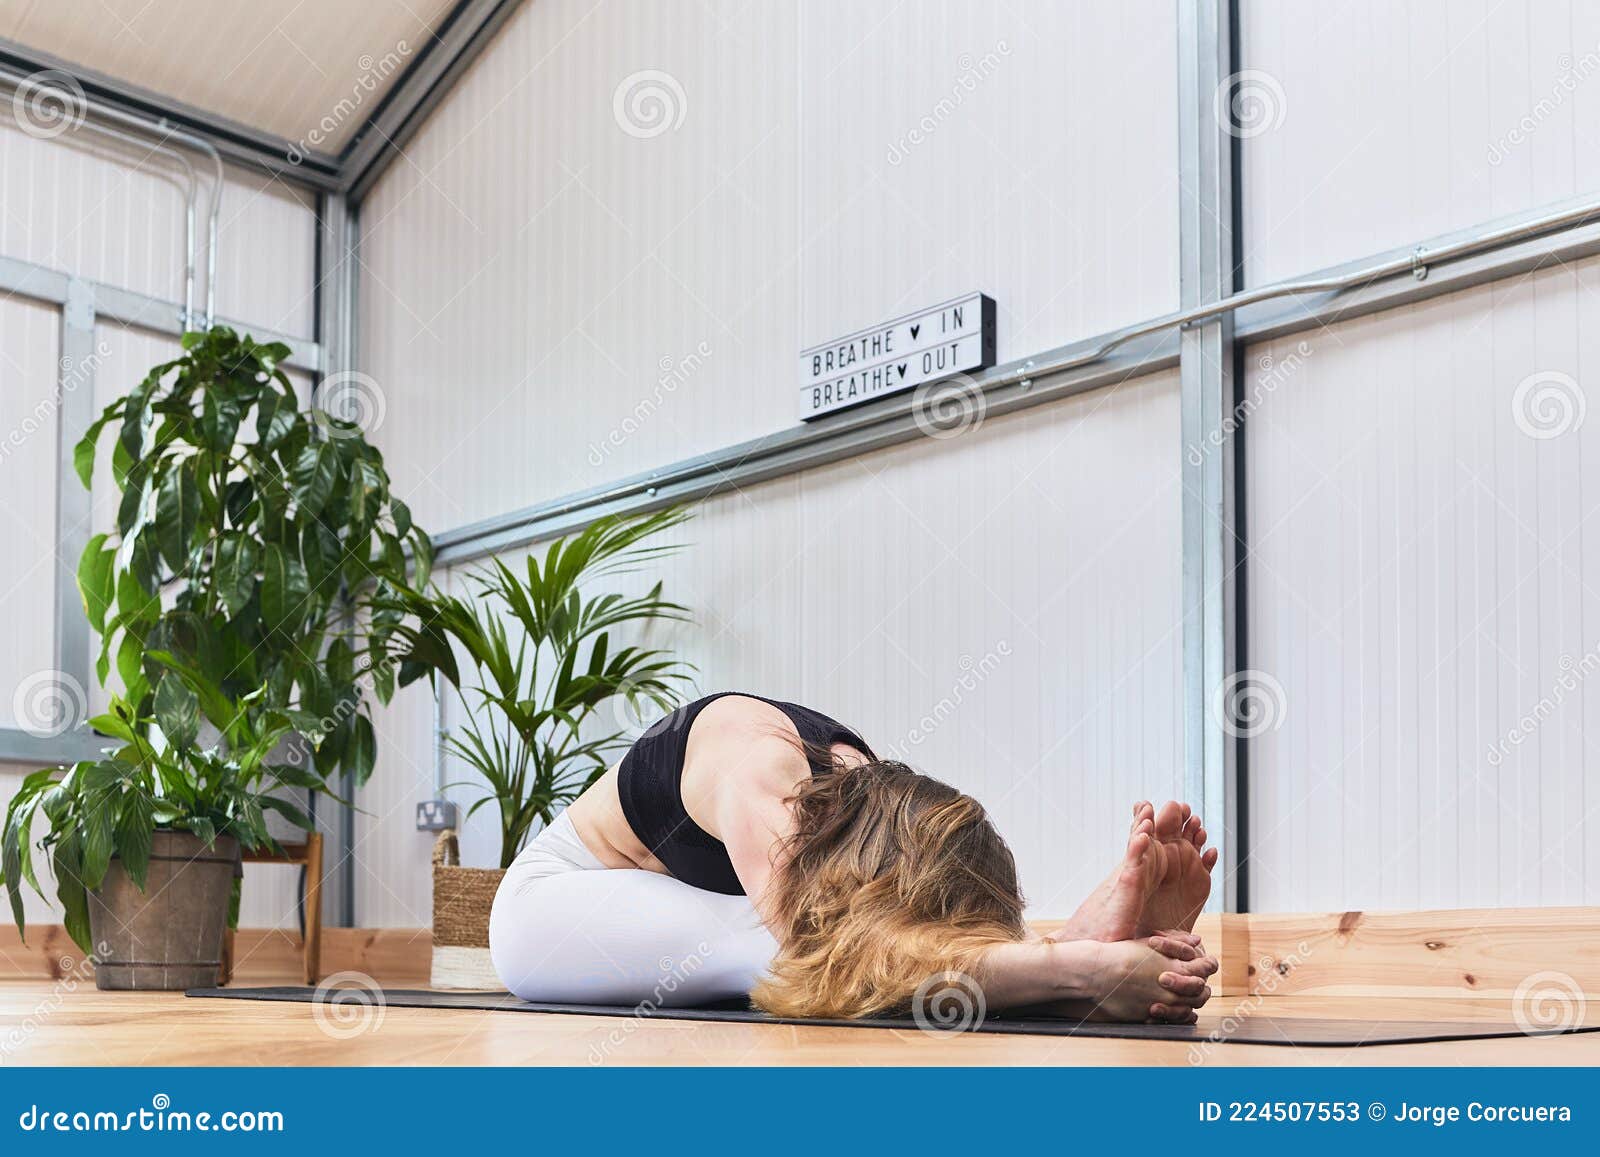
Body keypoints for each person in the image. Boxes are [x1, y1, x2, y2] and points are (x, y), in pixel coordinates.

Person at [488, 692, 1219, 1022]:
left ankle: (1050, 957)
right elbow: (830, 951)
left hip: (692, 903)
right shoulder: (760, 781)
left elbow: (911, 915)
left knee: (850, 944)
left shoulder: (866, 786)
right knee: (796, 955)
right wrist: (1079, 964)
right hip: (554, 906)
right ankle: (1065, 963)